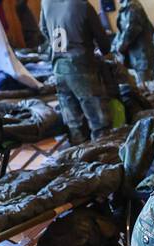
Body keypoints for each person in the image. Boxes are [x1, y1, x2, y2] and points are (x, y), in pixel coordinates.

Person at [40, 0, 111, 142]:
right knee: (99, 123)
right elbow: (102, 40)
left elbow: (44, 30)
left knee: (74, 124)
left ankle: (80, 160)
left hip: (58, 67)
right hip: (81, 67)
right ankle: (104, 158)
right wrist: (103, 50)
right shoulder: (83, 5)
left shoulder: (46, 3)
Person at [113, 0, 154, 82]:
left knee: (145, 89)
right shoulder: (126, 8)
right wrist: (112, 47)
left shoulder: (134, 7)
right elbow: (121, 34)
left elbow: (130, 33)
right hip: (135, 58)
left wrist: (116, 48)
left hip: (142, 59)